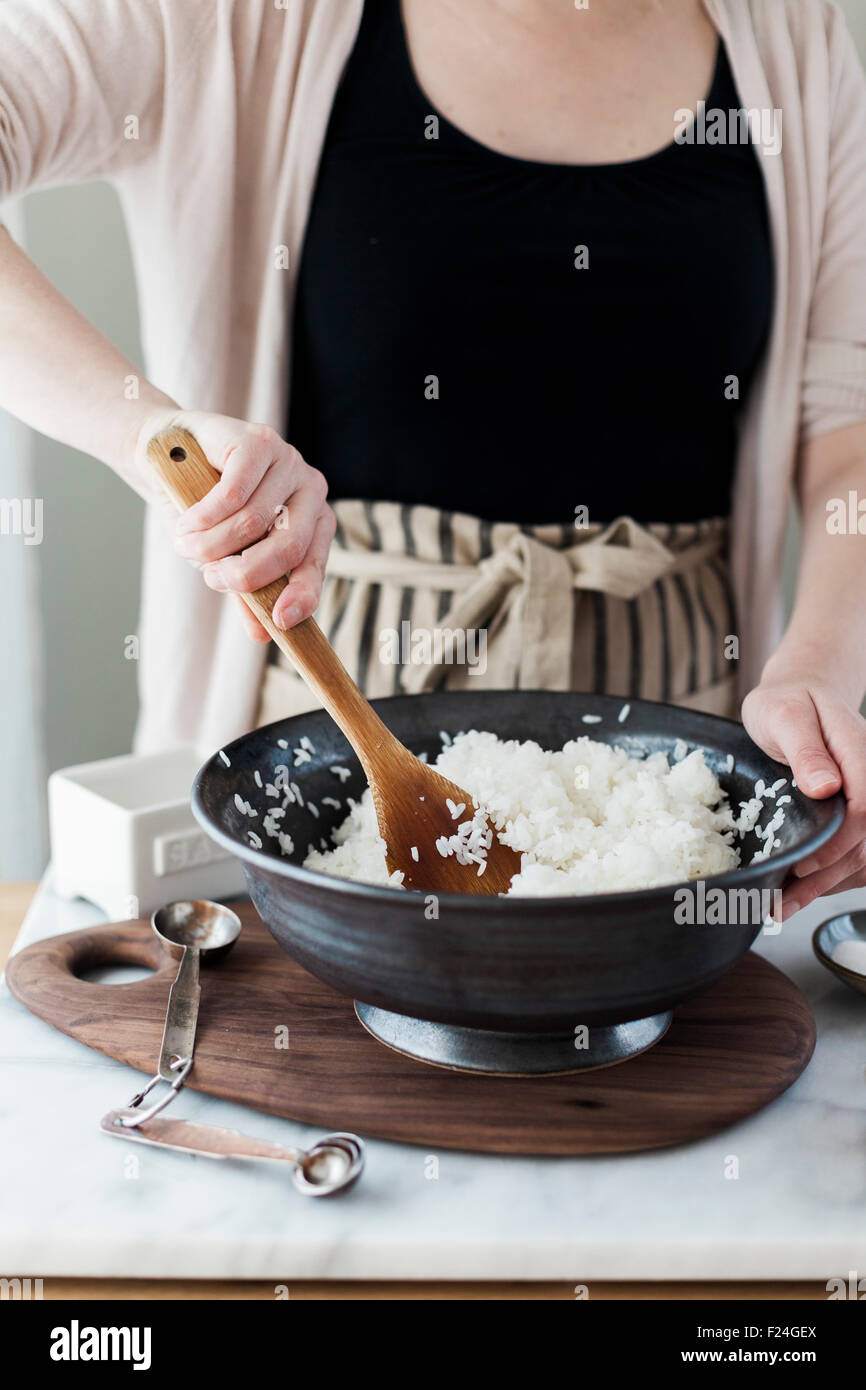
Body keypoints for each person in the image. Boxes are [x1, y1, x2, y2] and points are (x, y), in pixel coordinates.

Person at [1, 0, 865, 920]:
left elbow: (846, 425)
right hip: (316, 774)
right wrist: (148, 434)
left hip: (677, 791)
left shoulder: (794, 41)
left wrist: (818, 671)